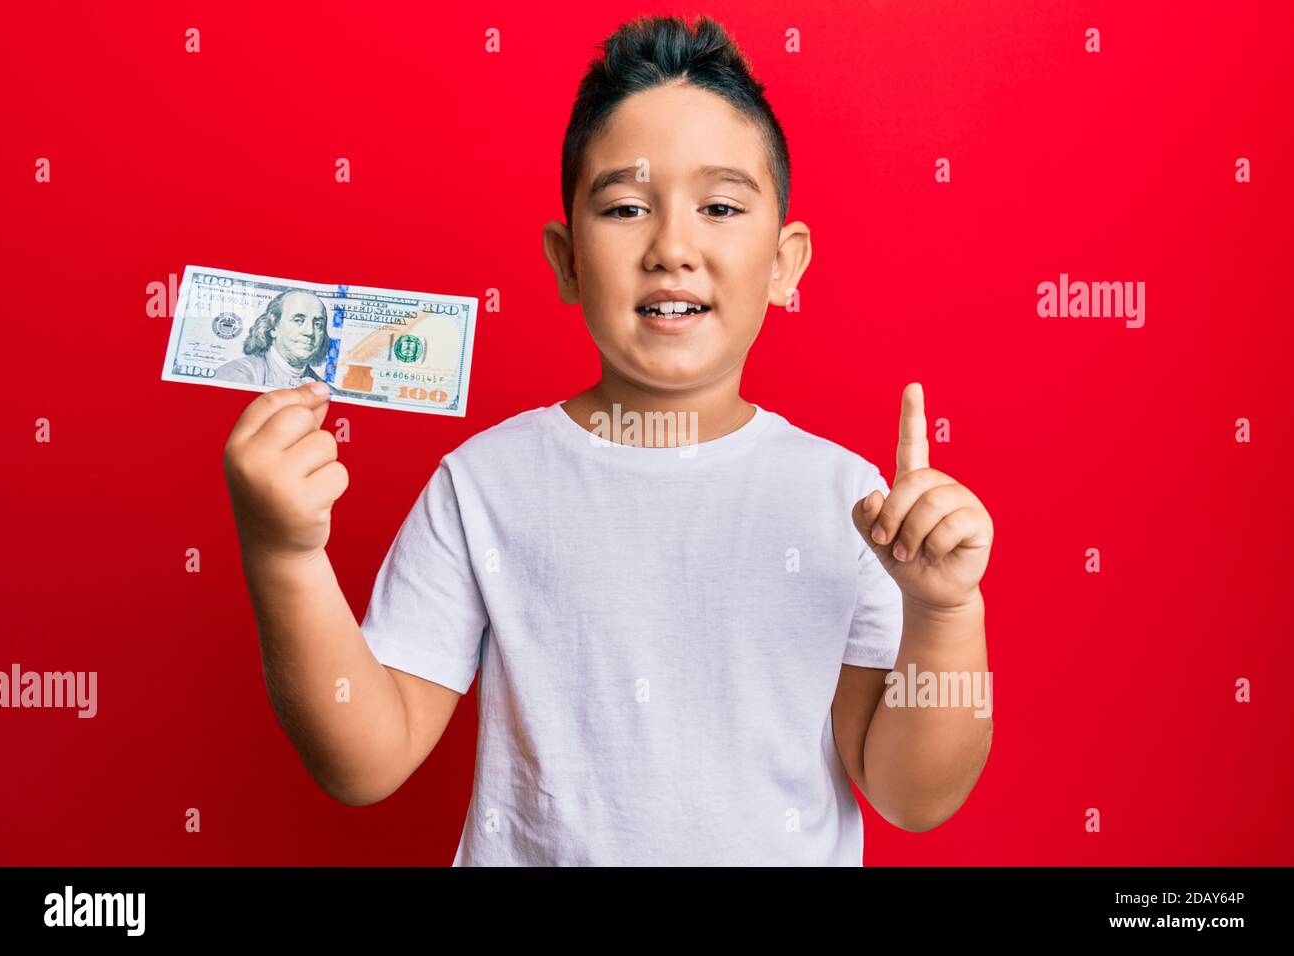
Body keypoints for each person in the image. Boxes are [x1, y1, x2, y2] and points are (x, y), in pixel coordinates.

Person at [223, 14, 994, 866]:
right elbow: (364, 758)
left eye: (721, 206)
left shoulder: (851, 504)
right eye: (626, 207)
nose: (672, 247)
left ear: (784, 263)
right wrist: (284, 554)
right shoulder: (483, 485)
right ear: (567, 260)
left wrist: (944, 612)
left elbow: (911, 796)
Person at [215, 289, 329, 388]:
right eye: (298, 320)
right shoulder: (237, 375)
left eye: (318, 324)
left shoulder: (329, 391)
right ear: (274, 327)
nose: (310, 332)